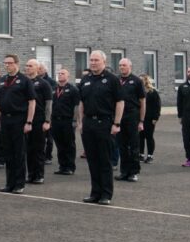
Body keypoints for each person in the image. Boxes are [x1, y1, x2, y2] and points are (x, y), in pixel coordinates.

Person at [79, 50, 124, 205]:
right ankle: (95, 192)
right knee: (92, 160)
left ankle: (106, 194)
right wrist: (80, 122)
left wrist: (117, 123)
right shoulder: (85, 79)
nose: (93, 63)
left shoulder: (112, 79)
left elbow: (120, 102)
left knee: (104, 160)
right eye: (91, 60)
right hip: (89, 123)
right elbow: (82, 102)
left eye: (96, 60)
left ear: (103, 62)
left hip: (105, 123)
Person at [0, 54, 37, 194]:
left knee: (18, 153)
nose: (7, 65)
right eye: (5, 63)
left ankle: (19, 184)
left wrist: (29, 121)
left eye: (9, 63)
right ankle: (9, 183)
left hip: (19, 119)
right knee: (8, 152)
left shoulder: (25, 80)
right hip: (5, 119)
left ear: (16, 64)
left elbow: (32, 102)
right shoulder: (2, 80)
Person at [115, 58, 146, 182]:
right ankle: (124, 171)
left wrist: (141, 121)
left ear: (130, 67)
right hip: (119, 117)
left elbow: (142, 101)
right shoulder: (116, 80)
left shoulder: (137, 81)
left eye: (124, 65)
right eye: (120, 65)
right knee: (121, 145)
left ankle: (133, 172)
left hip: (132, 116)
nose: (121, 67)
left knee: (133, 146)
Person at [25, 59, 52, 184]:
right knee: (28, 149)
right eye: (26, 66)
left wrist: (47, 120)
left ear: (37, 68)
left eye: (30, 66)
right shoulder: (24, 82)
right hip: (25, 119)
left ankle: (39, 175)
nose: (27, 68)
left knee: (38, 148)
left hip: (39, 119)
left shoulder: (43, 84)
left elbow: (48, 103)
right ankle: (30, 174)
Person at [51, 68, 81, 175]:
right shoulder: (54, 89)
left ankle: (70, 167)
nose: (60, 75)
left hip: (67, 120)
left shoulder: (73, 90)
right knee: (59, 145)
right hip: (55, 121)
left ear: (68, 76)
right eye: (59, 73)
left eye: (62, 73)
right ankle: (62, 166)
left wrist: (75, 120)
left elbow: (76, 106)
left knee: (69, 144)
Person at [139, 74, 160, 164]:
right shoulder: (137, 91)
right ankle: (141, 154)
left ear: (146, 81)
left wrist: (156, 117)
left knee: (149, 137)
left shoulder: (153, 92)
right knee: (140, 137)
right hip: (139, 118)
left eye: (142, 80)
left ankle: (150, 155)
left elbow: (157, 105)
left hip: (150, 118)